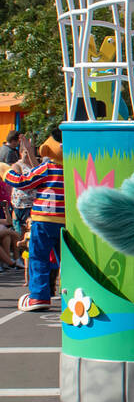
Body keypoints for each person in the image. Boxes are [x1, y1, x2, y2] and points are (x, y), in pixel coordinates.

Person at [3, 131, 64, 312]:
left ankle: (38, 296)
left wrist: (6, 171)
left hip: (44, 220)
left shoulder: (47, 169)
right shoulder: (73, 168)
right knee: (66, 258)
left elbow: (23, 181)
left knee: (39, 256)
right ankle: (74, 290)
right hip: (67, 221)